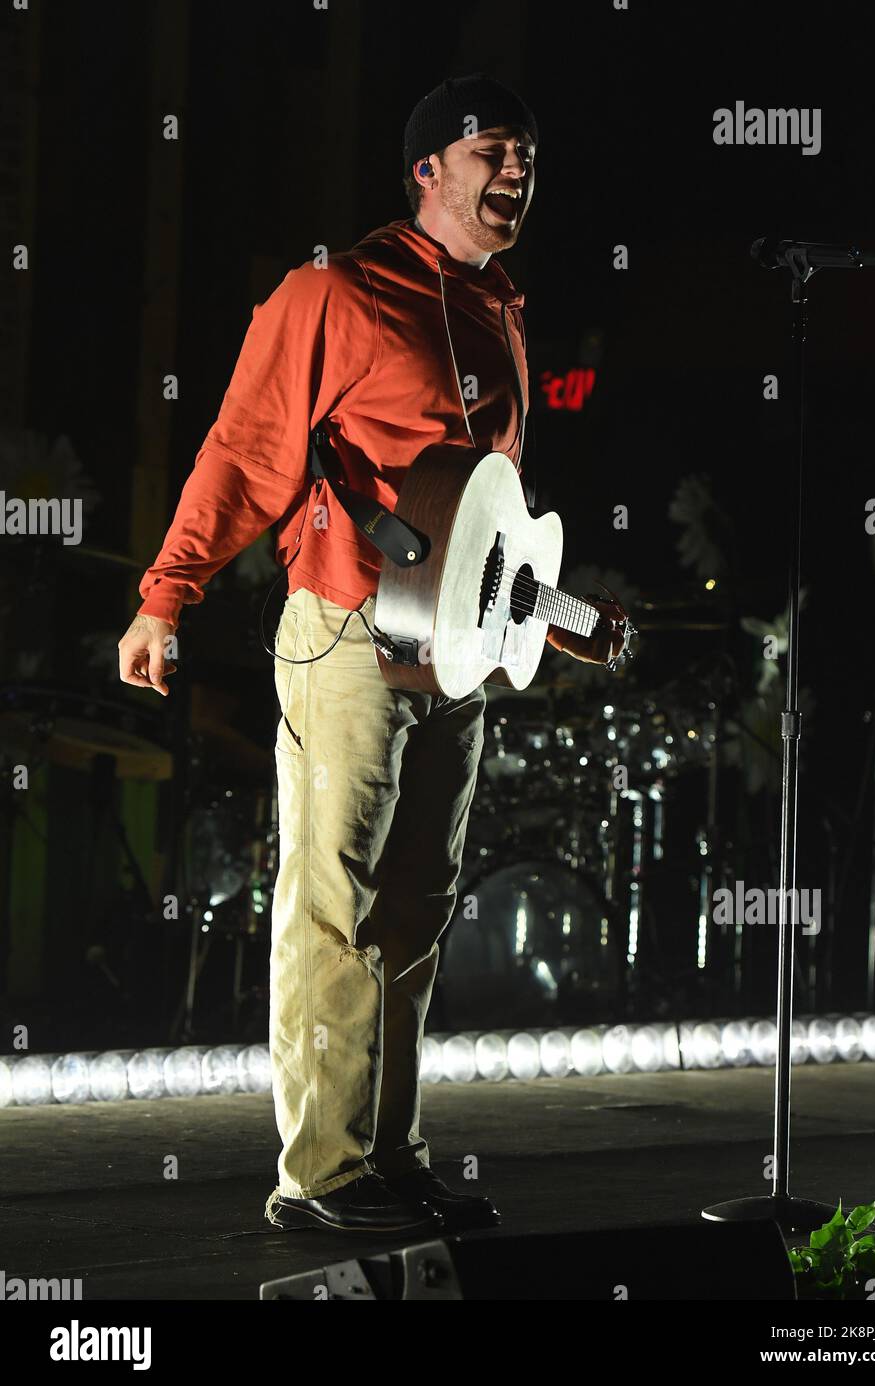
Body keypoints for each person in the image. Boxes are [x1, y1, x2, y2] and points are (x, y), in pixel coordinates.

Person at [118, 74, 625, 1236]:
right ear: (428, 171)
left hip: (454, 661)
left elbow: (481, 523)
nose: (517, 171)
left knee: (417, 912)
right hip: (347, 628)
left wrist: (549, 614)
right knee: (331, 906)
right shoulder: (335, 289)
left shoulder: (501, 307)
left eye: (529, 155)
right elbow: (243, 451)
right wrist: (165, 597)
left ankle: (390, 1155)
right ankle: (322, 1174)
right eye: (494, 149)